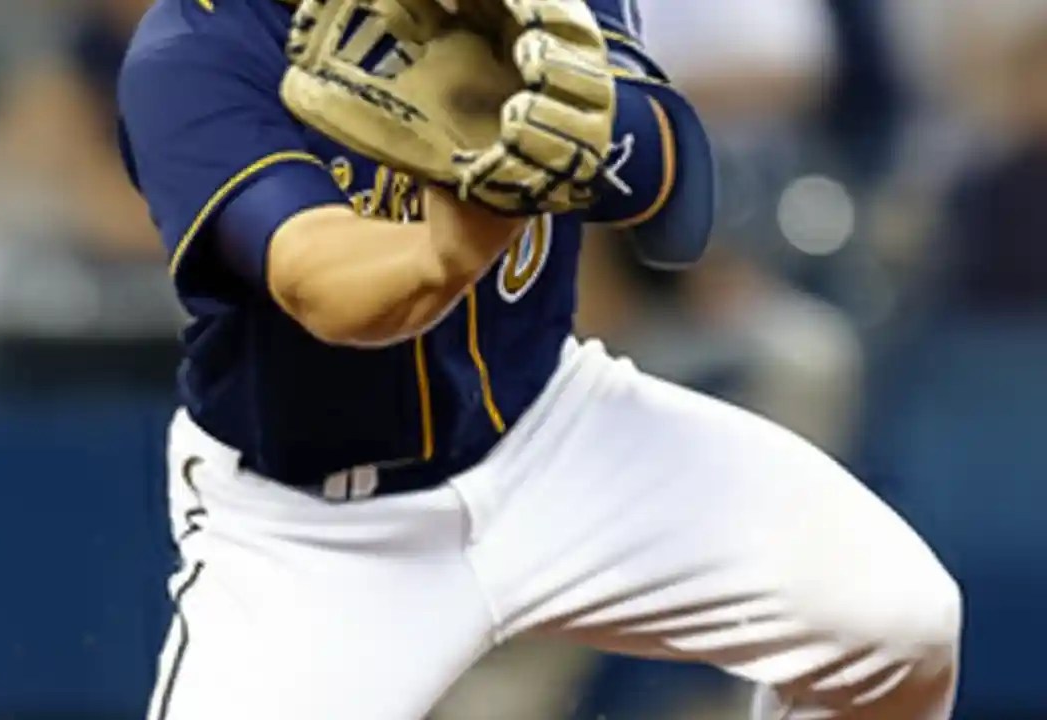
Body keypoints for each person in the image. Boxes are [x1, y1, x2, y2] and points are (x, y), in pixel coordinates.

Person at [117, 0, 962, 718]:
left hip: (553, 433)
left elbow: (681, 209)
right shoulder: (195, 50)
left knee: (896, 623)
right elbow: (327, 290)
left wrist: (582, 121)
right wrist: (468, 222)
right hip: (315, 529)